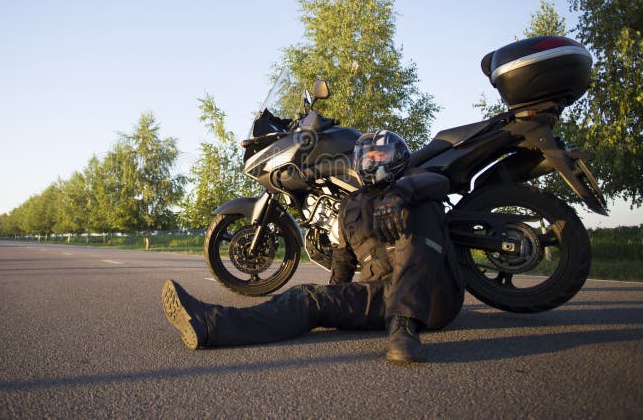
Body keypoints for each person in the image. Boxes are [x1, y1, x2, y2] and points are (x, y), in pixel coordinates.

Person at [162, 130, 464, 364]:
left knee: (425, 209)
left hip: (433, 296)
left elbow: (439, 182)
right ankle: (211, 324)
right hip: (381, 295)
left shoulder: (415, 182)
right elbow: (342, 261)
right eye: (367, 156)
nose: (371, 161)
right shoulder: (351, 205)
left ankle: (405, 328)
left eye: (379, 155)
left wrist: (401, 194)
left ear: (396, 156)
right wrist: (332, 295)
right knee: (307, 297)